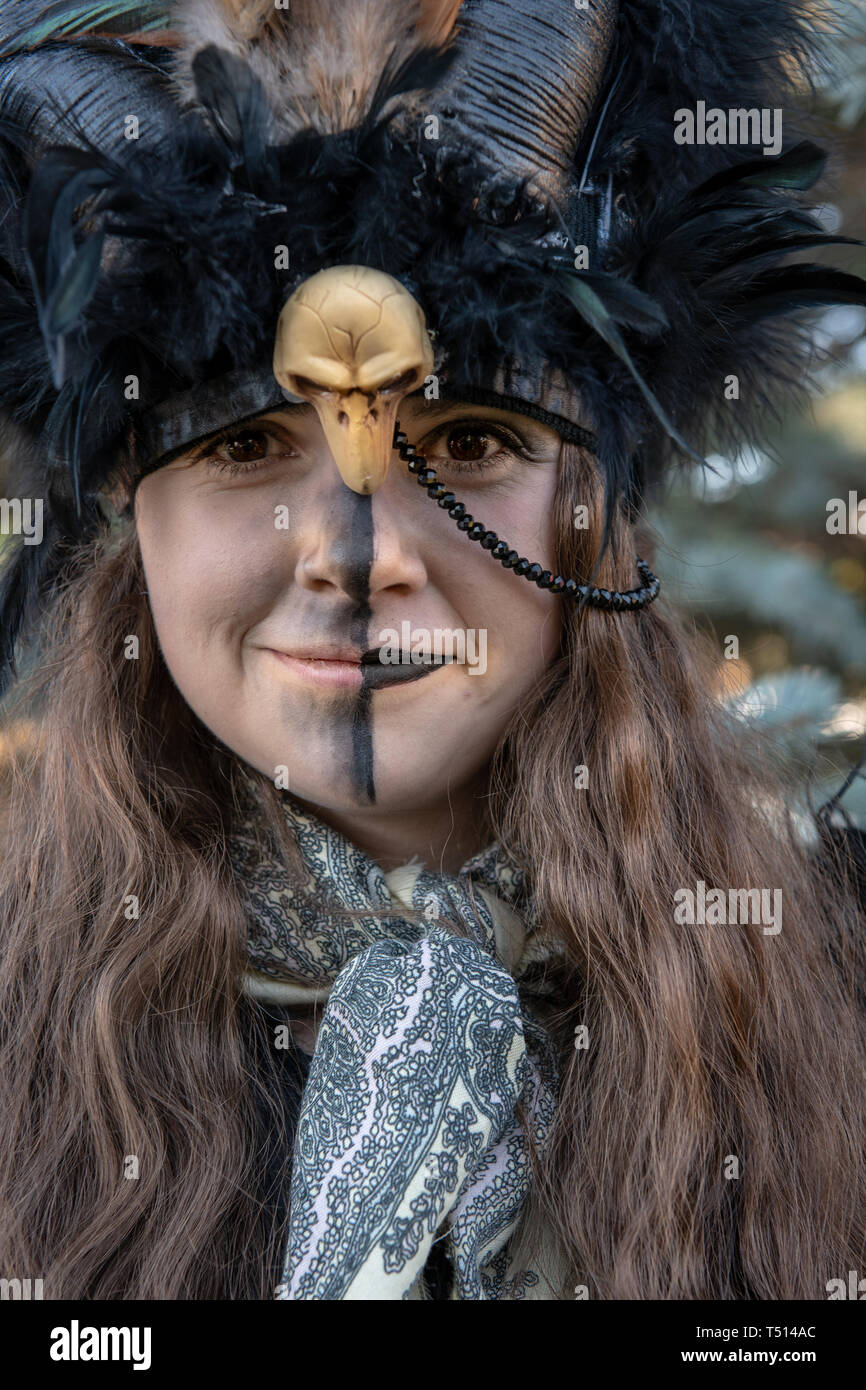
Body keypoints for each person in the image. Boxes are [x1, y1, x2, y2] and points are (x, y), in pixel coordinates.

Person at [0, 0, 865, 1301]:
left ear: (596, 517)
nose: (350, 554)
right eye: (243, 447)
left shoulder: (836, 977)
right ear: (133, 529)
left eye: (466, 442)